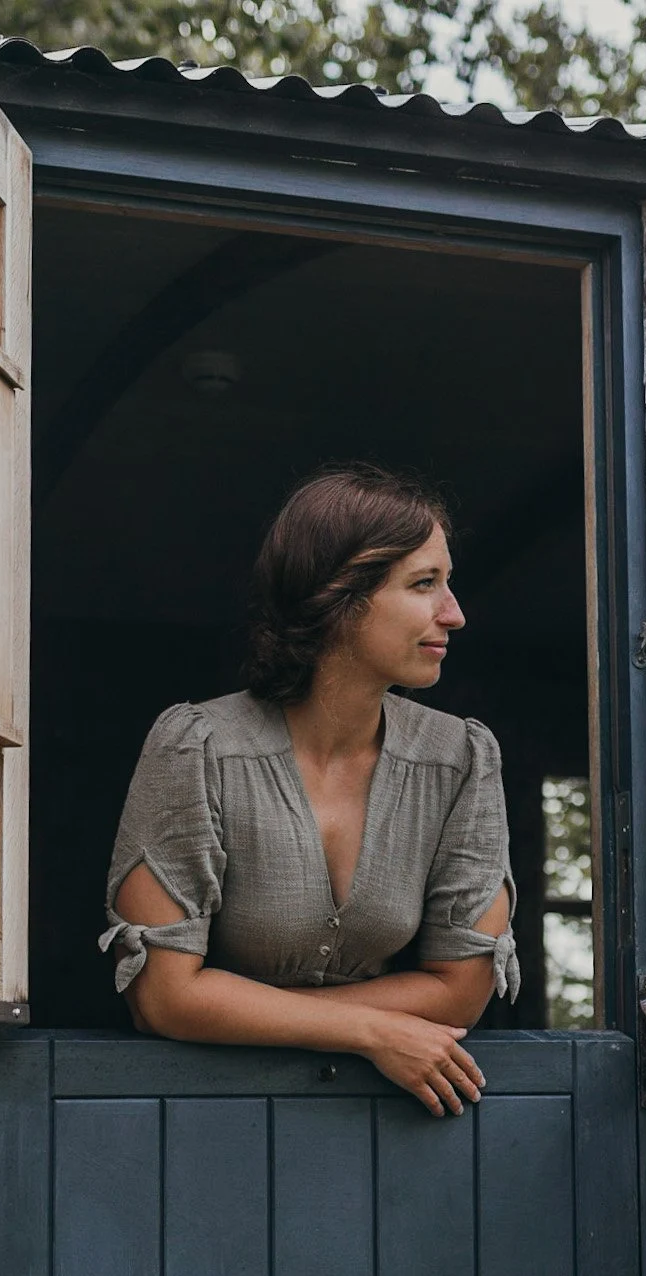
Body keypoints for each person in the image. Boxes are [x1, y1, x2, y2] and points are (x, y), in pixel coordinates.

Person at [101, 464, 518, 1117]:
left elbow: (461, 989)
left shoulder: (459, 758)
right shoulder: (198, 746)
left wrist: (232, 1007)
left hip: (387, 1121)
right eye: (423, 584)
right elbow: (161, 997)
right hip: (199, 1118)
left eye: (448, 583)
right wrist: (370, 1031)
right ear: (338, 598)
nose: (454, 613)